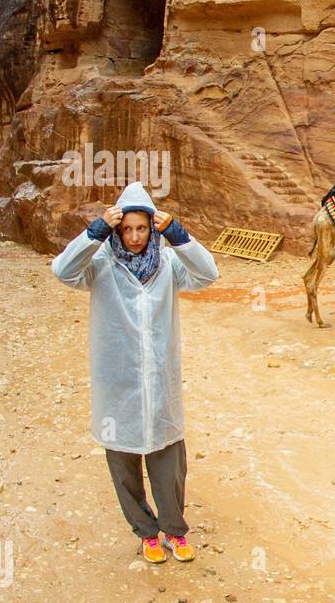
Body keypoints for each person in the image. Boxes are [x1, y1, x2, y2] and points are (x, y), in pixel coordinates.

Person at [52, 182, 219, 564]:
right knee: (123, 464)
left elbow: (208, 274)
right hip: (117, 382)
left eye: (142, 228)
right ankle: (146, 532)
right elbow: (62, 270)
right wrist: (93, 233)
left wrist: (180, 237)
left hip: (160, 381)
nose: (134, 236)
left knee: (169, 463)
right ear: (115, 229)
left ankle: (175, 531)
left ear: (152, 228)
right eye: (126, 229)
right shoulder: (99, 267)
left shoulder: (170, 266)